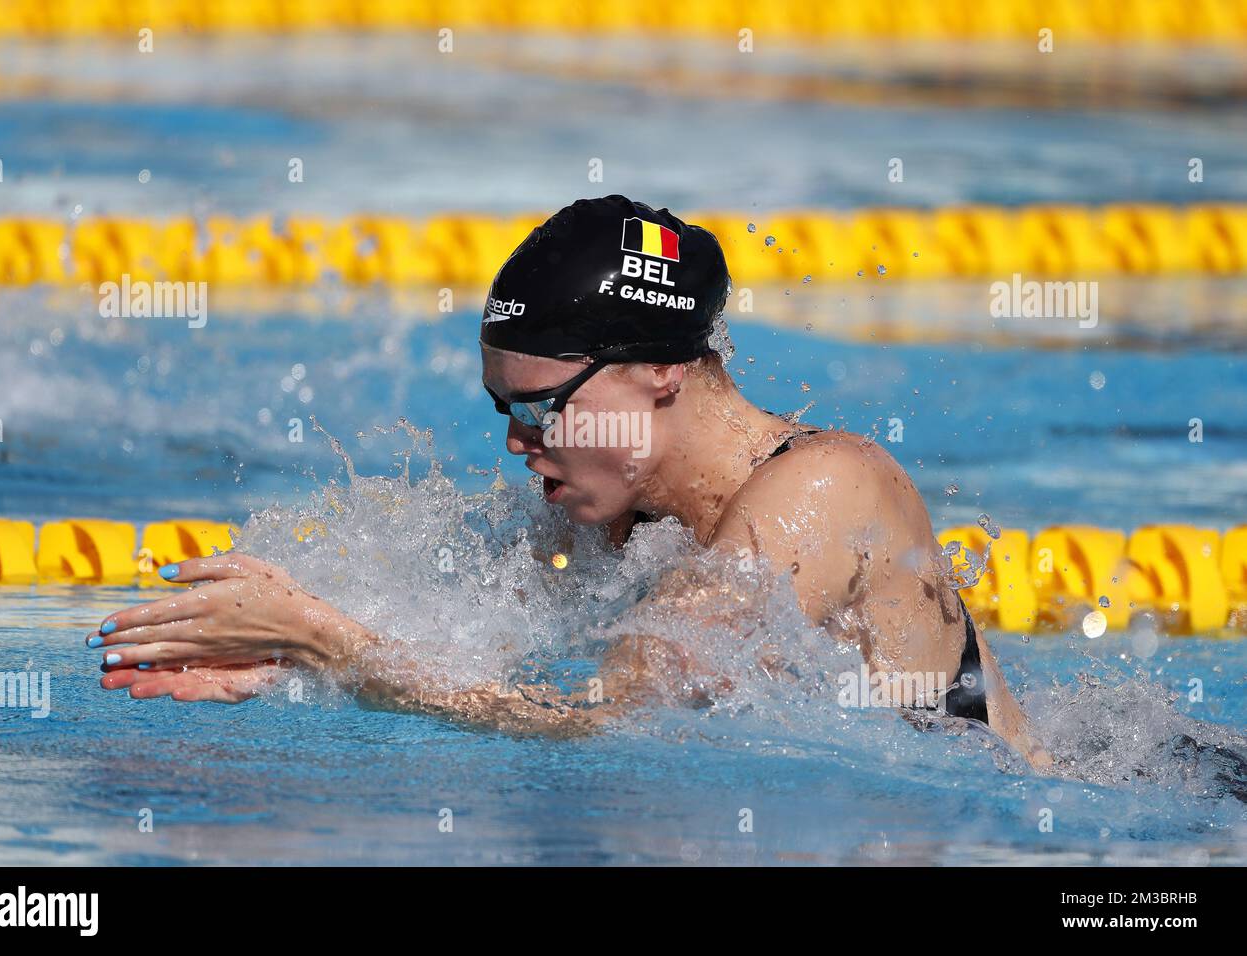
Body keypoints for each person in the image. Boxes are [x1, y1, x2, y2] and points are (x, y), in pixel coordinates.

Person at [94, 195, 1051, 769]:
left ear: (661, 370)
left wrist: (327, 640)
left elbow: (605, 728)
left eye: (542, 406)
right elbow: (501, 678)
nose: (520, 442)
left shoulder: (824, 487)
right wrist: (292, 662)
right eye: (502, 409)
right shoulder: (616, 517)